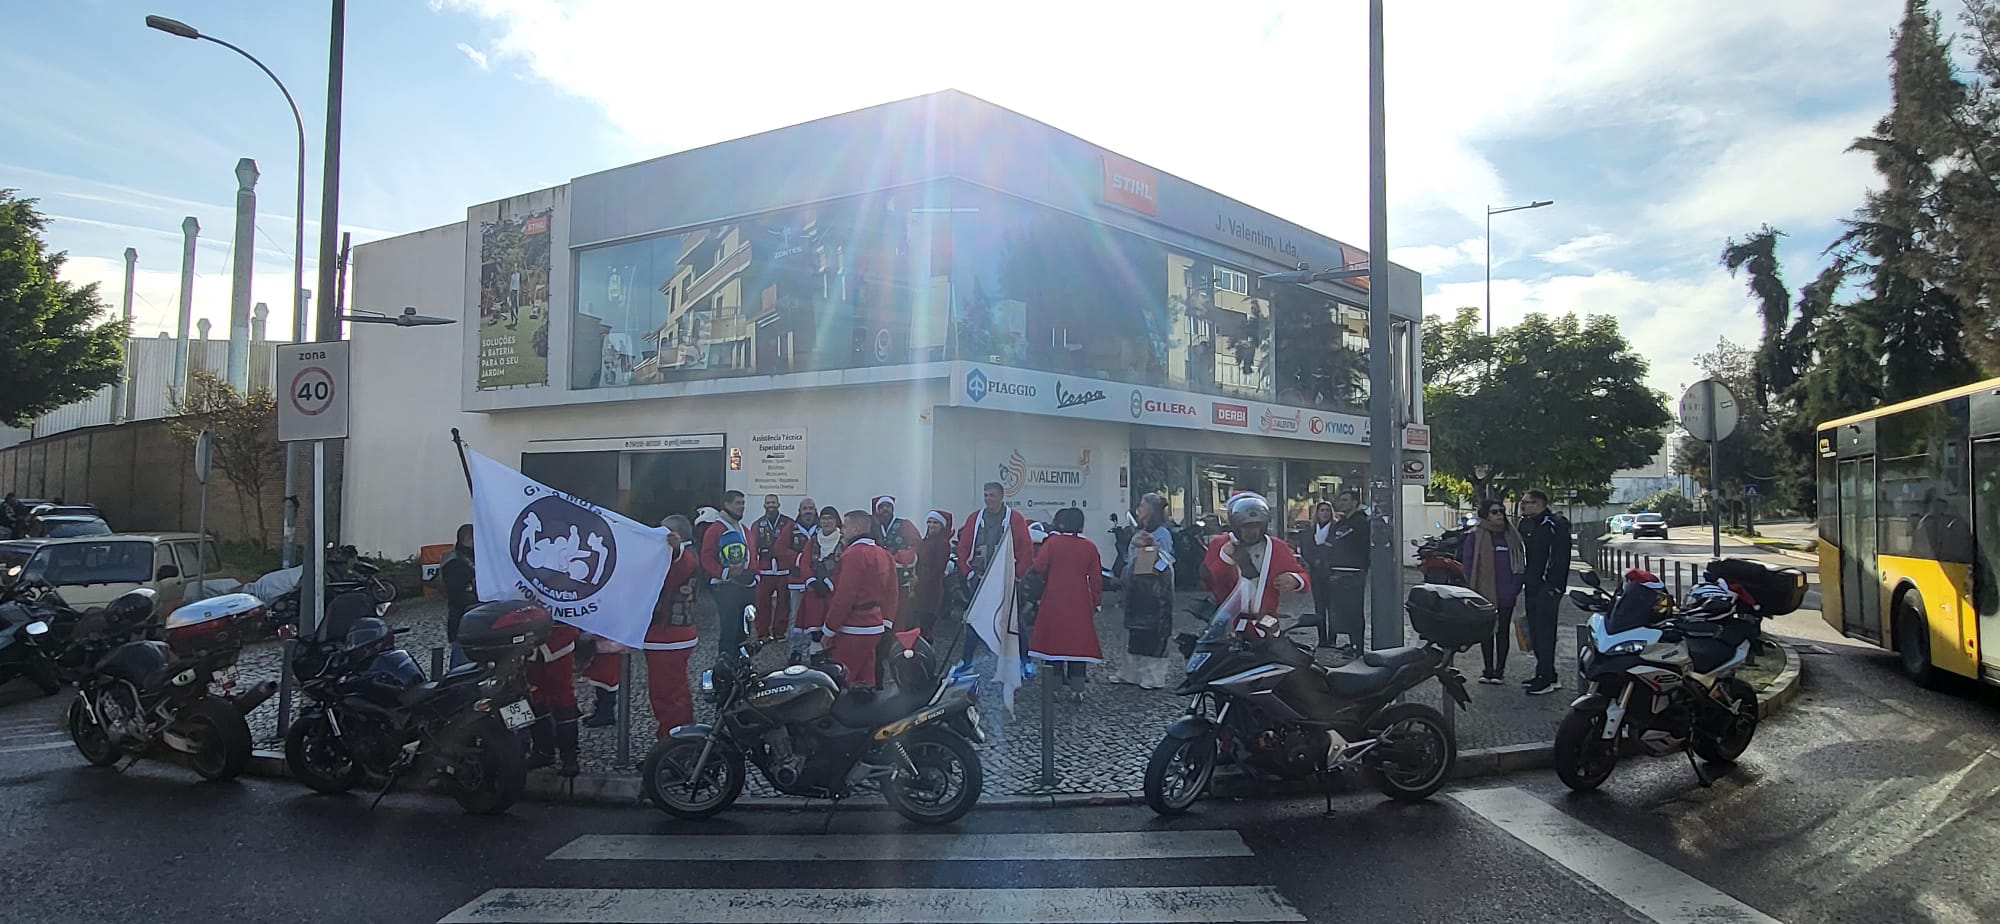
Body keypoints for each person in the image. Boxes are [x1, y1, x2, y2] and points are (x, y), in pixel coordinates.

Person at [1202, 492, 1309, 640]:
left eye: (1256, 526)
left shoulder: (1277, 547)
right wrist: (1225, 559)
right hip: (1227, 624)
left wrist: (1295, 580)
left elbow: (1305, 580)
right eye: (1246, 527)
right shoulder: (1219, 544)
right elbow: (1208, 582)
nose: (1251, 532)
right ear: (1236, 526)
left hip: (1265, 625)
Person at [1027, 507, 1103, 703]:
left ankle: (1054, 687)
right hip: (1080, 602)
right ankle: (1077, 689)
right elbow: (1096, 579)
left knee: (1053, 644)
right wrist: (1096, 602)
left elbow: (1038, 566)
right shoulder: (1090, 547)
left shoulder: (1053, 543)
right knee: (1077, 645)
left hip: (1054, 599)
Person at [955, 482, 1034, 666]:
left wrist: (1017, 575)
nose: (988, 499)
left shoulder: (1014, 518)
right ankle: (966, 661)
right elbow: (963, 547)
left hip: (1005, 579)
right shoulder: (975, 518)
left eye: (992, 495)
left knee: (1013, 620)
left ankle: (1025, 661)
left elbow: (1026, 550)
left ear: (1001, 497)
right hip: (979, 578)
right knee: (974, 619)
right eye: (986, 495)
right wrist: (968, 573)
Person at [643, 515, 701, 737]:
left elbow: (681, 563)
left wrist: (675, 548)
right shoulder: (684, 555)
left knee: (667, 694)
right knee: (676, 691)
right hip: (669, 635)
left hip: (669, 636)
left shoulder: (685, 556)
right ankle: (681, 738)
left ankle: (672, 742)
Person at [826, 510, 898, 689]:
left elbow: (844, 597)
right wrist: (887, 622)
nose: (841, 531)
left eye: (845, 526)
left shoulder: (852, 555)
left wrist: (829, 630)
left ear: (857, 528)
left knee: (845, 677)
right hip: (875, 624)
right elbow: (892, 592)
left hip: (854, 626)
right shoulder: (884, 554)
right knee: (867, 678)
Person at [1114, 493, 1176, 689]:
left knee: (1154, 634)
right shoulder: (1137, 533)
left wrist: (1152, 547)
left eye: (1142, 506)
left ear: (1150, 510)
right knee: (1134, 632)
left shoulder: (1162, 534)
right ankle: (1130, 673)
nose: (1138, 509)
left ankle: (1153, 677)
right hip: (1135, 591)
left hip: (1155, 593)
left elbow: (1166, 563)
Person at [1461, 499, 1527, 684]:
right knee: (1486, 633)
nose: (1499, 515)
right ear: (1485, 515)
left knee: (1503, 632)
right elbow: (1468, 564)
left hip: (1506, 594)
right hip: (1484, 594)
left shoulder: (1512, 536)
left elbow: (1519, 566)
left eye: (1501, 511)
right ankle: (1488, 669)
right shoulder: (1475, 536)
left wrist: (1514, 588)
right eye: (1494, 512)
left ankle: (1500, 671)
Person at [1519, 489, 1574, 695]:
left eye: (1528, 502)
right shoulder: (1527, 524)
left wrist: (1553, 586)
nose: (1524, 506)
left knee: (1545, 632)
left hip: (1547, 587)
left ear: (1540, 504)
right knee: (1534, 630)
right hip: (1532, 585)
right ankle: (1545, 672)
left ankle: (1546, 677)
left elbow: (1559, 558)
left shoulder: (1553, 525)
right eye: (1523, 502)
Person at [701, 491, 759, 657]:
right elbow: (706, 558)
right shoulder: (715, 530)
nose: (742, 507)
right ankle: (726, 664)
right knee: (729, 629)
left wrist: (755, 575)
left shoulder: (745, 529)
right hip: (726, 587)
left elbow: (753, 554)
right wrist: (725, 573)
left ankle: (741, 663)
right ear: (726, 504)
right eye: (737, 503)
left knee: (744, 629)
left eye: (743, 503)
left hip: (747, 586)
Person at [1316, 491, 1371, 654]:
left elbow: (1359, 545)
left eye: (1346, 500)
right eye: (1341, 500)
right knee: (1342, 610)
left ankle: (1358, 646)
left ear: (1355, 502)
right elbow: (1331, 542)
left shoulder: (1361, 523)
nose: (1342, 503)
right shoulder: (1340, 523)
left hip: (1353, 572)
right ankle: (1351, 643)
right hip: (1337, 571)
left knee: (1354, 610)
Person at [524, 620, 581, 778]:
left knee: (563, 698)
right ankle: (543, 752)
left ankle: (569, 757)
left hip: (559, 637)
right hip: (529, 638)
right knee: (534, 696)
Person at [792, 506, 843, 659]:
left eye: (830, 519)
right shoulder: (813, 541)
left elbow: (845, 566)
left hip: (833, 592)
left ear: (836, 521)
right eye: (824, 519)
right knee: (815, 628)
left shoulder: (843, 541)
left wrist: (829, 583)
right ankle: (815, 656)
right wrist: (812, 581)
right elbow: (805, 563)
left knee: (832, 625)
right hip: (815, 592)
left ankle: (832, 657)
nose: (827, 522)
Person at [751, 494, 797, 643]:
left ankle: (779, 632)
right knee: (762, 602)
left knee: (784, 603)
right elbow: (753, 548)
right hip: (764, 569)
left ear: (779, 504)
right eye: (768, 502)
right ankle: (762, 633)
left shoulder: (788, 523)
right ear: (764, 505)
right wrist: (754, 568)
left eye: (773, 502)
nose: (771, 505)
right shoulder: (757, 524)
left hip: (784, 569)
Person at [910, 510, 954, 638]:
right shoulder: (925, 541)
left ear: (942, 526)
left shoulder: (942, 543)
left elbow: (939, 569)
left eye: (935, 523)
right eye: (929, 522)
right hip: (920, 587)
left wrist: (920, 580)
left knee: (926, 624)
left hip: (931, 589)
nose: (931, 525)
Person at [439, 524, 478, 666]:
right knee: (462, 667)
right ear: (469, 539)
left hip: (472, 623)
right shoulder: (455, 563)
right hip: (462, 624)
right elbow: (458, 596)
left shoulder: (469, 557)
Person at [785, 497, 818, 632]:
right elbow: (779, 548)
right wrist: (800, 558)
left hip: (817, 580)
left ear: (815, 510)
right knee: (795, 614)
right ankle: (795, 643)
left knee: (816, 613)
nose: (808, 511)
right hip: (797, 579)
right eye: (805, 509)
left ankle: (814, 642)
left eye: (811, 508)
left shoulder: (822, 527)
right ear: (799, 511)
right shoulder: (791, 528)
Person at [579, 633, 625, 728]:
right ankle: (602, 712)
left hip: (610, 650)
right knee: (601, 685)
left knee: (607, 685)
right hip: (603, 649)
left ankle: (606, 714)